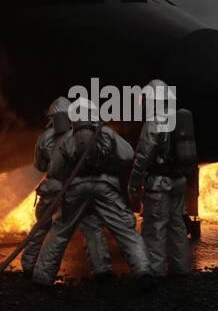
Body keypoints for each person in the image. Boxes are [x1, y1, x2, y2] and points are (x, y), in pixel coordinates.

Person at [32, 102, 151, 285]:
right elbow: (128, 155)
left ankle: (42, 276)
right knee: (125, 230)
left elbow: (55, 169)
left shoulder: (67, 138)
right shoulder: (107, 133)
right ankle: (143, 270)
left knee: (60, 230)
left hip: (76, 189)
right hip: (105, 187)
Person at [22, 97, 111, 278]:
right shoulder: (78, 135)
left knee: (43, 228)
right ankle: (102, 269)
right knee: (91, 225)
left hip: (53, 189)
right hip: (76, 188)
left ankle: (30, 266)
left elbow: (39, 166)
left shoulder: (44, 138)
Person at [128, 80, 195, 276]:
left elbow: (143, 155)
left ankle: (155, 272)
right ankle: (181, 269)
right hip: (178, 181)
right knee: (177, 226)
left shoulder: (154, 122)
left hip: (159, 184)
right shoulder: (181, 119)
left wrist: (134, 183)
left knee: (154, 227)